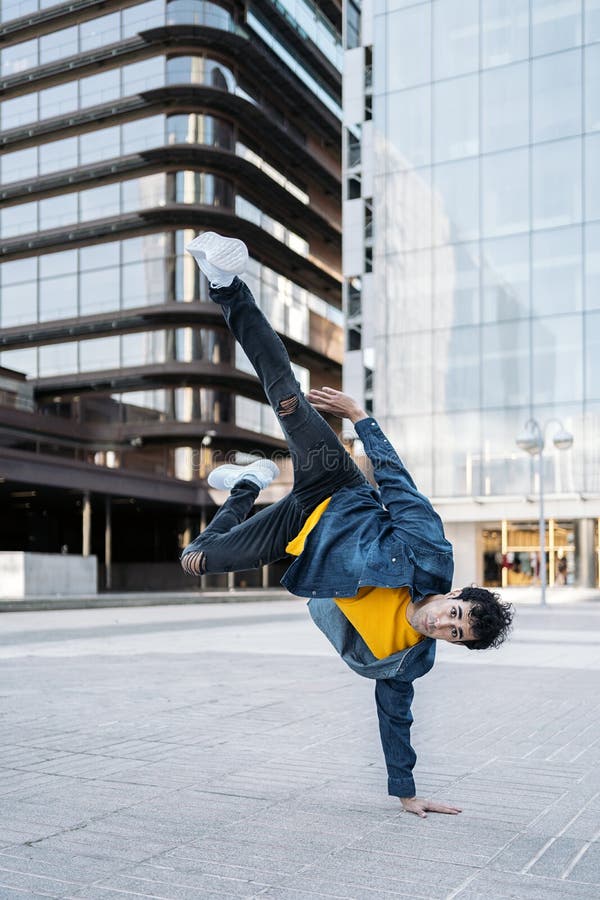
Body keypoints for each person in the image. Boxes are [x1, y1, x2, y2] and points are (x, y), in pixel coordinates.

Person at [181, 232, 514, 818]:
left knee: (198, 561)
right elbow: (398, 484)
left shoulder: (406, 658)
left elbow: (395, 719)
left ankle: (246, 485)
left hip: (294, 534)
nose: (445, 623)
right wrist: (362, 420)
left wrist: (405, 793)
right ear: (456, 594)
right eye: (456, 613)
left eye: (455, 633)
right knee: (286, 398)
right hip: (334, 488)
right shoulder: (429, 553)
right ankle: (227, 281)